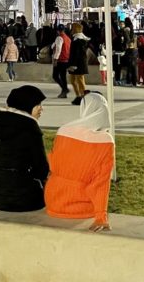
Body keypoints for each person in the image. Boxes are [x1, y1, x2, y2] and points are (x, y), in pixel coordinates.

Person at [45, 92, 115, 231]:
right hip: (81, 208)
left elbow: (53, 163)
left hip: (53, 200)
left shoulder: (63, 131)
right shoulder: (106, 141)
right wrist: (101, 217)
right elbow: (101, 182)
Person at [0, 85, 49, 212]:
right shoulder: (30, 128)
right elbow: (41, 169)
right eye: (38, 105)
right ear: (27, 105)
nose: (41, 109)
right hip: (24, 199)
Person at [67, 23, 90, 104]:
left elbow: (77, 54)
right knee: (73, 80)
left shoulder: (79, 40)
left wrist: (72, 64)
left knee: (79, 80)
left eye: (72, 28)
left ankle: (84, 97)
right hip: (76, 63)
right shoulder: (77, 39)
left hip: (78, 63)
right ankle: (79, 96)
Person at [51, 25, 71, 99]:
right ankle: (64, 91)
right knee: (63, 77)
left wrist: (55, 59)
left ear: (58, 31)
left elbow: (58, 49)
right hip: (66, 59)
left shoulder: (59, 38)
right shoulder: (68, 38)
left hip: (60, 59)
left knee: (55, 75)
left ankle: (65, 89)